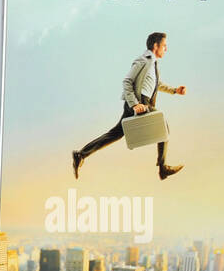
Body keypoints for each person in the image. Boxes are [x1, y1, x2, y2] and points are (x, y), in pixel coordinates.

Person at [72, 31, 186, 180]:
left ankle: (81, 155)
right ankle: (163, 168)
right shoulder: (143, 60)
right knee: (162, 126)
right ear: (155, 45)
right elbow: (127, 81)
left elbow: (157, 84)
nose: (166, 49)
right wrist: (135, 104)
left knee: (115, 134)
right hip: (140, 103)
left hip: (141, 102)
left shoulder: (153, 64)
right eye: (164, 45)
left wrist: (175, 90)